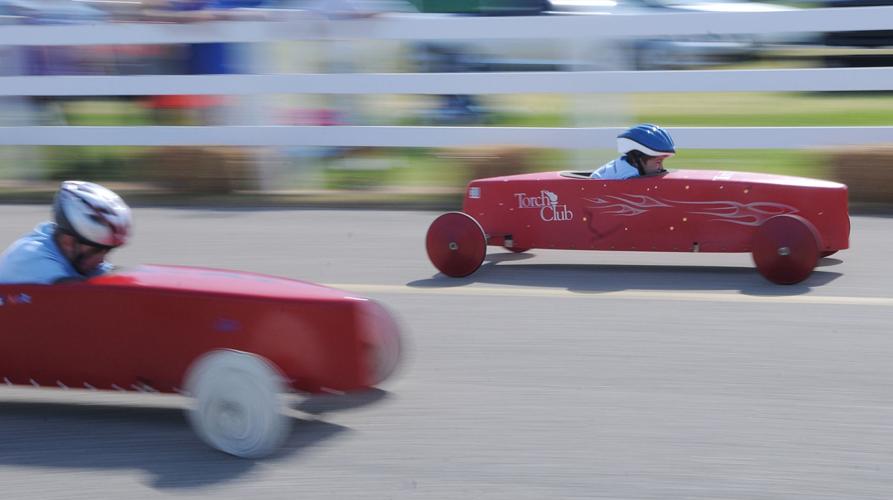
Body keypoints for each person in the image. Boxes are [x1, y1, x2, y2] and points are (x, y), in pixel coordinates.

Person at [0, 181, 132, 285]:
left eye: (107, 251)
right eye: (97, 250)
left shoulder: (67, 247)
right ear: (68, 241)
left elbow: (114, 278)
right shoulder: (32, 257)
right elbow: (83, 297)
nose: (102, 260)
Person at [590, 124, 676, 180]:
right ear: (637, 160)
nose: (661, 167)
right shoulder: (628, 177)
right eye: (658, 162)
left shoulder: (625, 164)